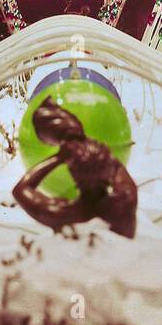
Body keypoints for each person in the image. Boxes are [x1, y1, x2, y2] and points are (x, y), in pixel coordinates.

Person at [12, 98, 137, 238]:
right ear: (108, 165)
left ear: (73, 173)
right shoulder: (125, 202)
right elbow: (115, 168)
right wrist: (102, 155)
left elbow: (21, 189)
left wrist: (58, 158)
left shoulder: (61, 213)